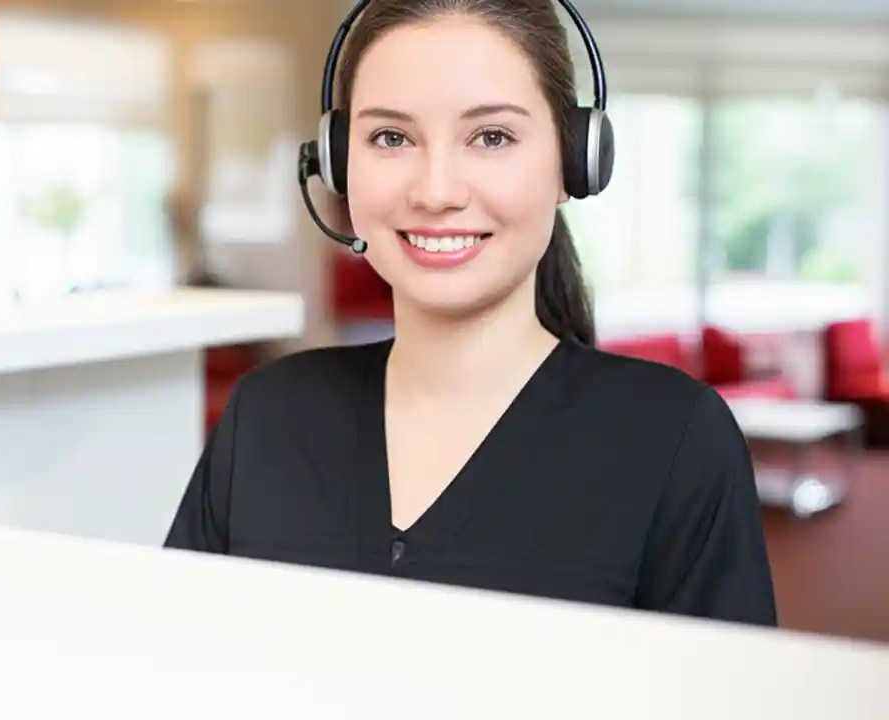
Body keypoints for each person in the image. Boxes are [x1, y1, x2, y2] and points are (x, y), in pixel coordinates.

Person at [165, 0, 777, 627]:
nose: (436, 192)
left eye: (491, 137)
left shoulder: (675, 441)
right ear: (339, 162)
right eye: (391, 137)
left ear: (573, 163)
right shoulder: (264, 417)